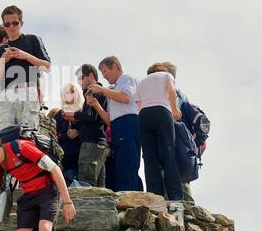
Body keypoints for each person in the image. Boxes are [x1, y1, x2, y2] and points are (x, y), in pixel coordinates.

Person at [0, 5, 50, 141]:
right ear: (3, 26)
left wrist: (26, 56)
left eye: (15, 23)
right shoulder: (1, 50)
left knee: (28, 136)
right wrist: (3, 61)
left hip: (28, 92)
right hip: (7, 94)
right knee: (1, 137)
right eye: (7, 24)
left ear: (21, 23)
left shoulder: (32, 39)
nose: (11, 26)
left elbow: (47, 67)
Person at [135, 63, 184, 218]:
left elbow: (138, 104)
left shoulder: (141, 82)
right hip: (162, 111)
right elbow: (171, 91)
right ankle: (175, 199)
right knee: (169, 153)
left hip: (143, 116)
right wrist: (174, 109)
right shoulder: (166, 75)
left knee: (149, 159)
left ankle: (155, 198)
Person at [159, 61, 210, 206]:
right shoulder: (183, 97)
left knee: (173, 190)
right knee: (183, 190)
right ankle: (188, 220)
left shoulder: (172, 96)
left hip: (174, 149)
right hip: (185, 151)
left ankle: (180, 222)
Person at [95, 56, 142, 191]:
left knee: (127, 162)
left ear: (115, 66)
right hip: (117, 126)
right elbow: (109, 119)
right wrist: (96, 105)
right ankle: (128, 195)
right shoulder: (114, 89)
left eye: (105, 71)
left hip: (128, 123)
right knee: (121, 164)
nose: (103, 76)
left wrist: (102, 90)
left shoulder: (126, 78)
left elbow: (126, 98)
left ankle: (130, 197)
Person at [74, 65, 111, 187]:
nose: (80, 82)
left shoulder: (93, 91)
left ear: (90, 75)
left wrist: (74, 115)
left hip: (91, 143)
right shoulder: (99, 91)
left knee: (86, 183)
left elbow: (90, 117)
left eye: (81, 78)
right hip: (99, 143)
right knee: (100, 188)